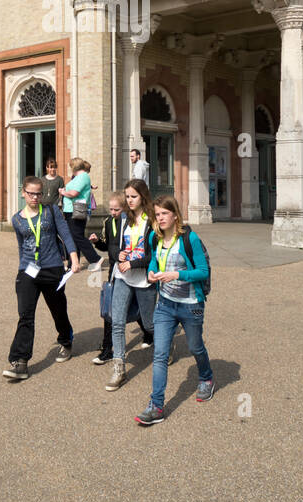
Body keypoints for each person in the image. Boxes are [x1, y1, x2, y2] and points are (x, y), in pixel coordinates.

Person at [135, 194, 214, 427]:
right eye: (157, 214)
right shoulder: (154, 238)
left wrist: (177, 274)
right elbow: (153, 261)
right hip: (165, 305)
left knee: (195, 346)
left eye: (164, 214)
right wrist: (151, 272)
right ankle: (156, 406)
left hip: (191, 306)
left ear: (175, 215)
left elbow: (202, 271)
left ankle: (206, 377)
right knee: (159, 354)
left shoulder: (190, 239)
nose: (160, 218)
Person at [3, 175, 80, 381]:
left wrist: (73, 258)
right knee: (25, 315)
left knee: (58, 309)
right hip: (28, 271)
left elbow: (65, 233)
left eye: (38, 193)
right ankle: (20, 362)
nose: (35, 197)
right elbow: (22, 246)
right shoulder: (17, 219)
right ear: (23, 193)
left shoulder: (51, 211)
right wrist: (22, 270)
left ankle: (65, 340)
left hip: (53, 268)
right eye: (31, 193)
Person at [106, 179, 166, 391]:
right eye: (127, 196)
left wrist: (132, 262)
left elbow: (153, 255)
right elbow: (113, 247)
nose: (129, 200)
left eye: (133, 196)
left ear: (143, 197)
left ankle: (165, 344)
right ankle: (118, 367)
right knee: (117, 321)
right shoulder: (123, 219)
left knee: (149, 324)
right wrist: (119, 254)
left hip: (144, 278)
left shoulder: (152, 220)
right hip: (122, 276)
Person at [91, 192, 147, 365]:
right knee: (110, 310)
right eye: (111, 209)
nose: (113, 212)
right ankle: (107, 349)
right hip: (115, 271)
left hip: (131, 268)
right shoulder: (108, 222)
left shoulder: (129, 222)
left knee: (135, 305)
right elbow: (107, 246)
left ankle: (149, 332)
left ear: (124, 208)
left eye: (117, 209)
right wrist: (96, 242)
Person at [59, 158, 102, 268]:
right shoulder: (80, 177)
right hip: (71, 210)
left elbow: (74, 193)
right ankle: (73, 263)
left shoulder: (83, 177)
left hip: (75, 210)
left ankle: (95, 259)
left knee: (77, 236)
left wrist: (63, 192)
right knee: (74, 237)